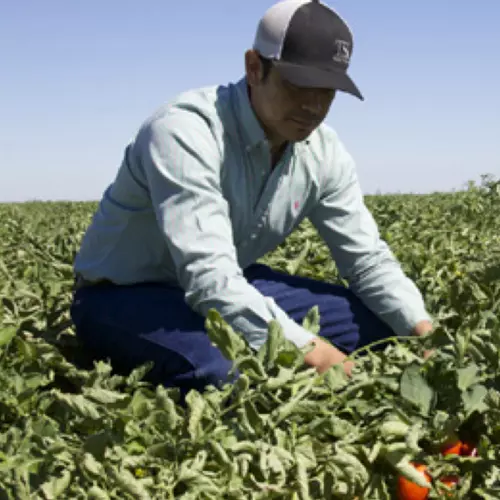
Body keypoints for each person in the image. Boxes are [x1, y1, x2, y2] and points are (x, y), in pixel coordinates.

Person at [70, 0, 433, 396]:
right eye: (298, 85)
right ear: (254, 67)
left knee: (381, 329)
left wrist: (424, 331)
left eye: (327, 92)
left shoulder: (323, 152)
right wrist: (315, 353)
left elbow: (367, 260)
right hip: (126, 294)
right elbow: (208, 276)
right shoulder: (185, 131)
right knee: (228, 371)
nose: (313, 106)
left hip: (232, 279)